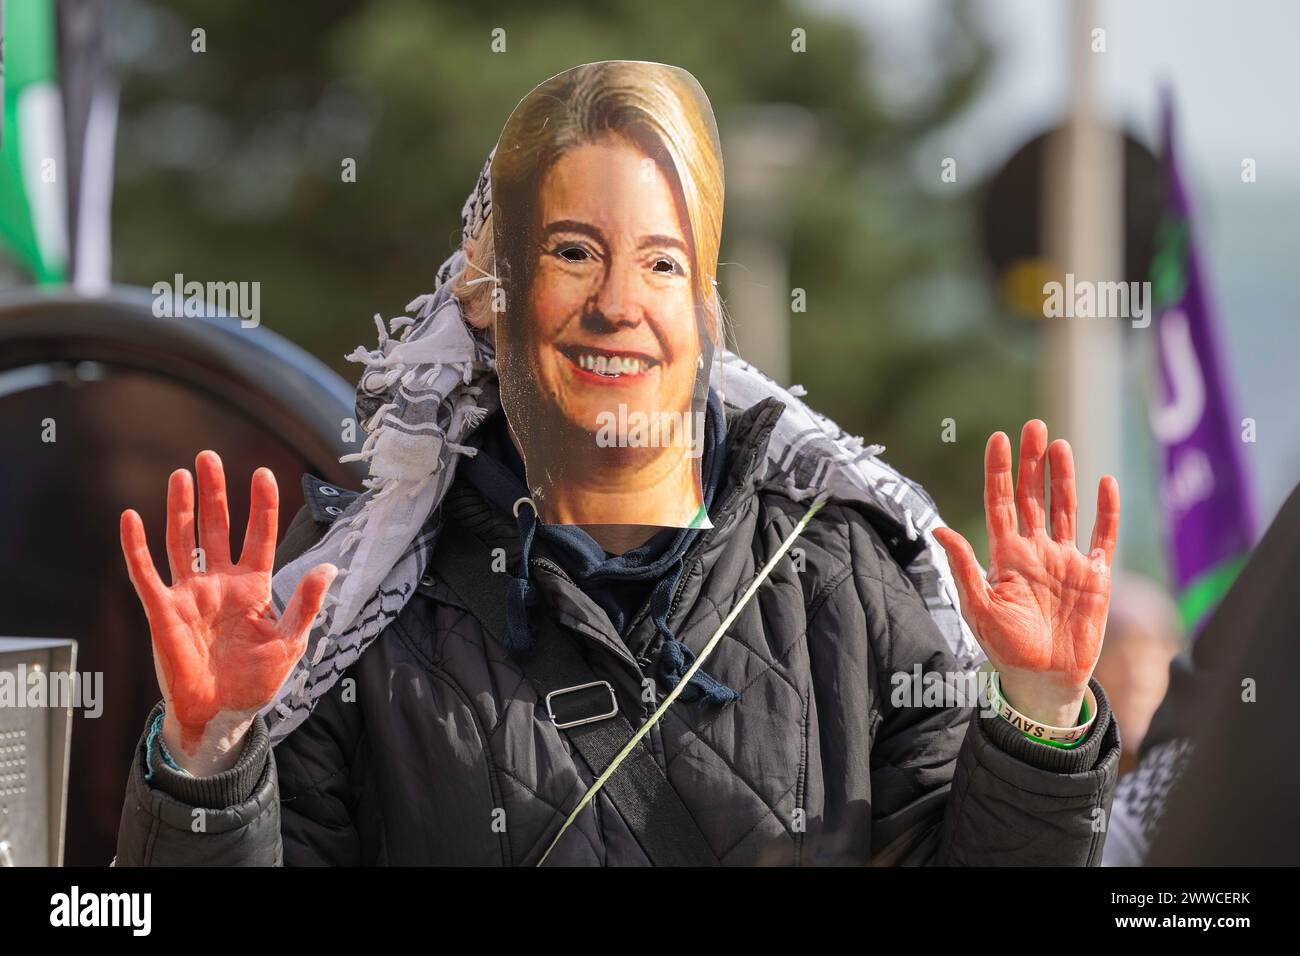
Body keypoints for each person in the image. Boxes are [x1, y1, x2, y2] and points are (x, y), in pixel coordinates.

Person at [114, 61, 1121, 866]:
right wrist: (208, 759)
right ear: (491, 293)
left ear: (704, 312)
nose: (617, 303)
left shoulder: (843, 571)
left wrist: (1037, 715)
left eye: (662, 261)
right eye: (570, 252)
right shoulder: (355, 601)